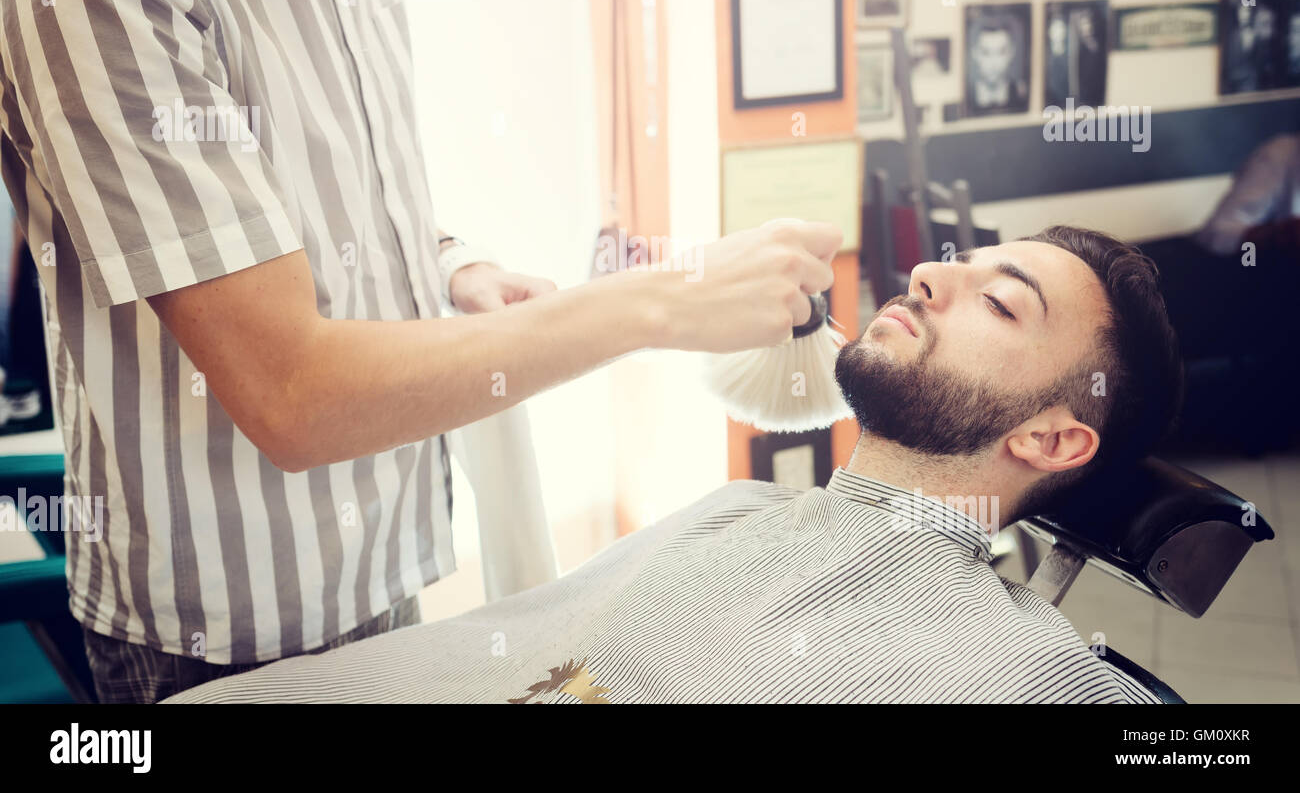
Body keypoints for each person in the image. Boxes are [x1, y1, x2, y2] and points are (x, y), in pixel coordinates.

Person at [0, 0, 839, 703]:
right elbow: (293, 393)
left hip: (386, 545)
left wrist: (444, 260)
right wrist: (661, 302)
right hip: (226, 614)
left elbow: (301, 176)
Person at [164, 225, 1183, 704]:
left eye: (1000, 302)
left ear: (1052, 439)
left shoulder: (1027, 674)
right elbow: (475, 661)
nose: (928, 272)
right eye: (961, 259)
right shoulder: (736, 510)